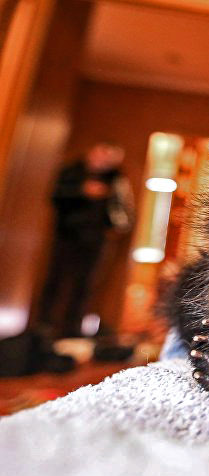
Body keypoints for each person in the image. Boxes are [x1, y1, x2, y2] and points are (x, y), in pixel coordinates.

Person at [35, 142, 134, 339]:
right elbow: (55, 197)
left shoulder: (115, 179)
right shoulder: (72, 172)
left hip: (96, 238)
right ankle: (43, 326)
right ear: (91, 153)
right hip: (67, 236)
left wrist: (113, 226)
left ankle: (71, 329)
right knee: (55, 280)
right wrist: (83, 191)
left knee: (84, 284)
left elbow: (122, 208)